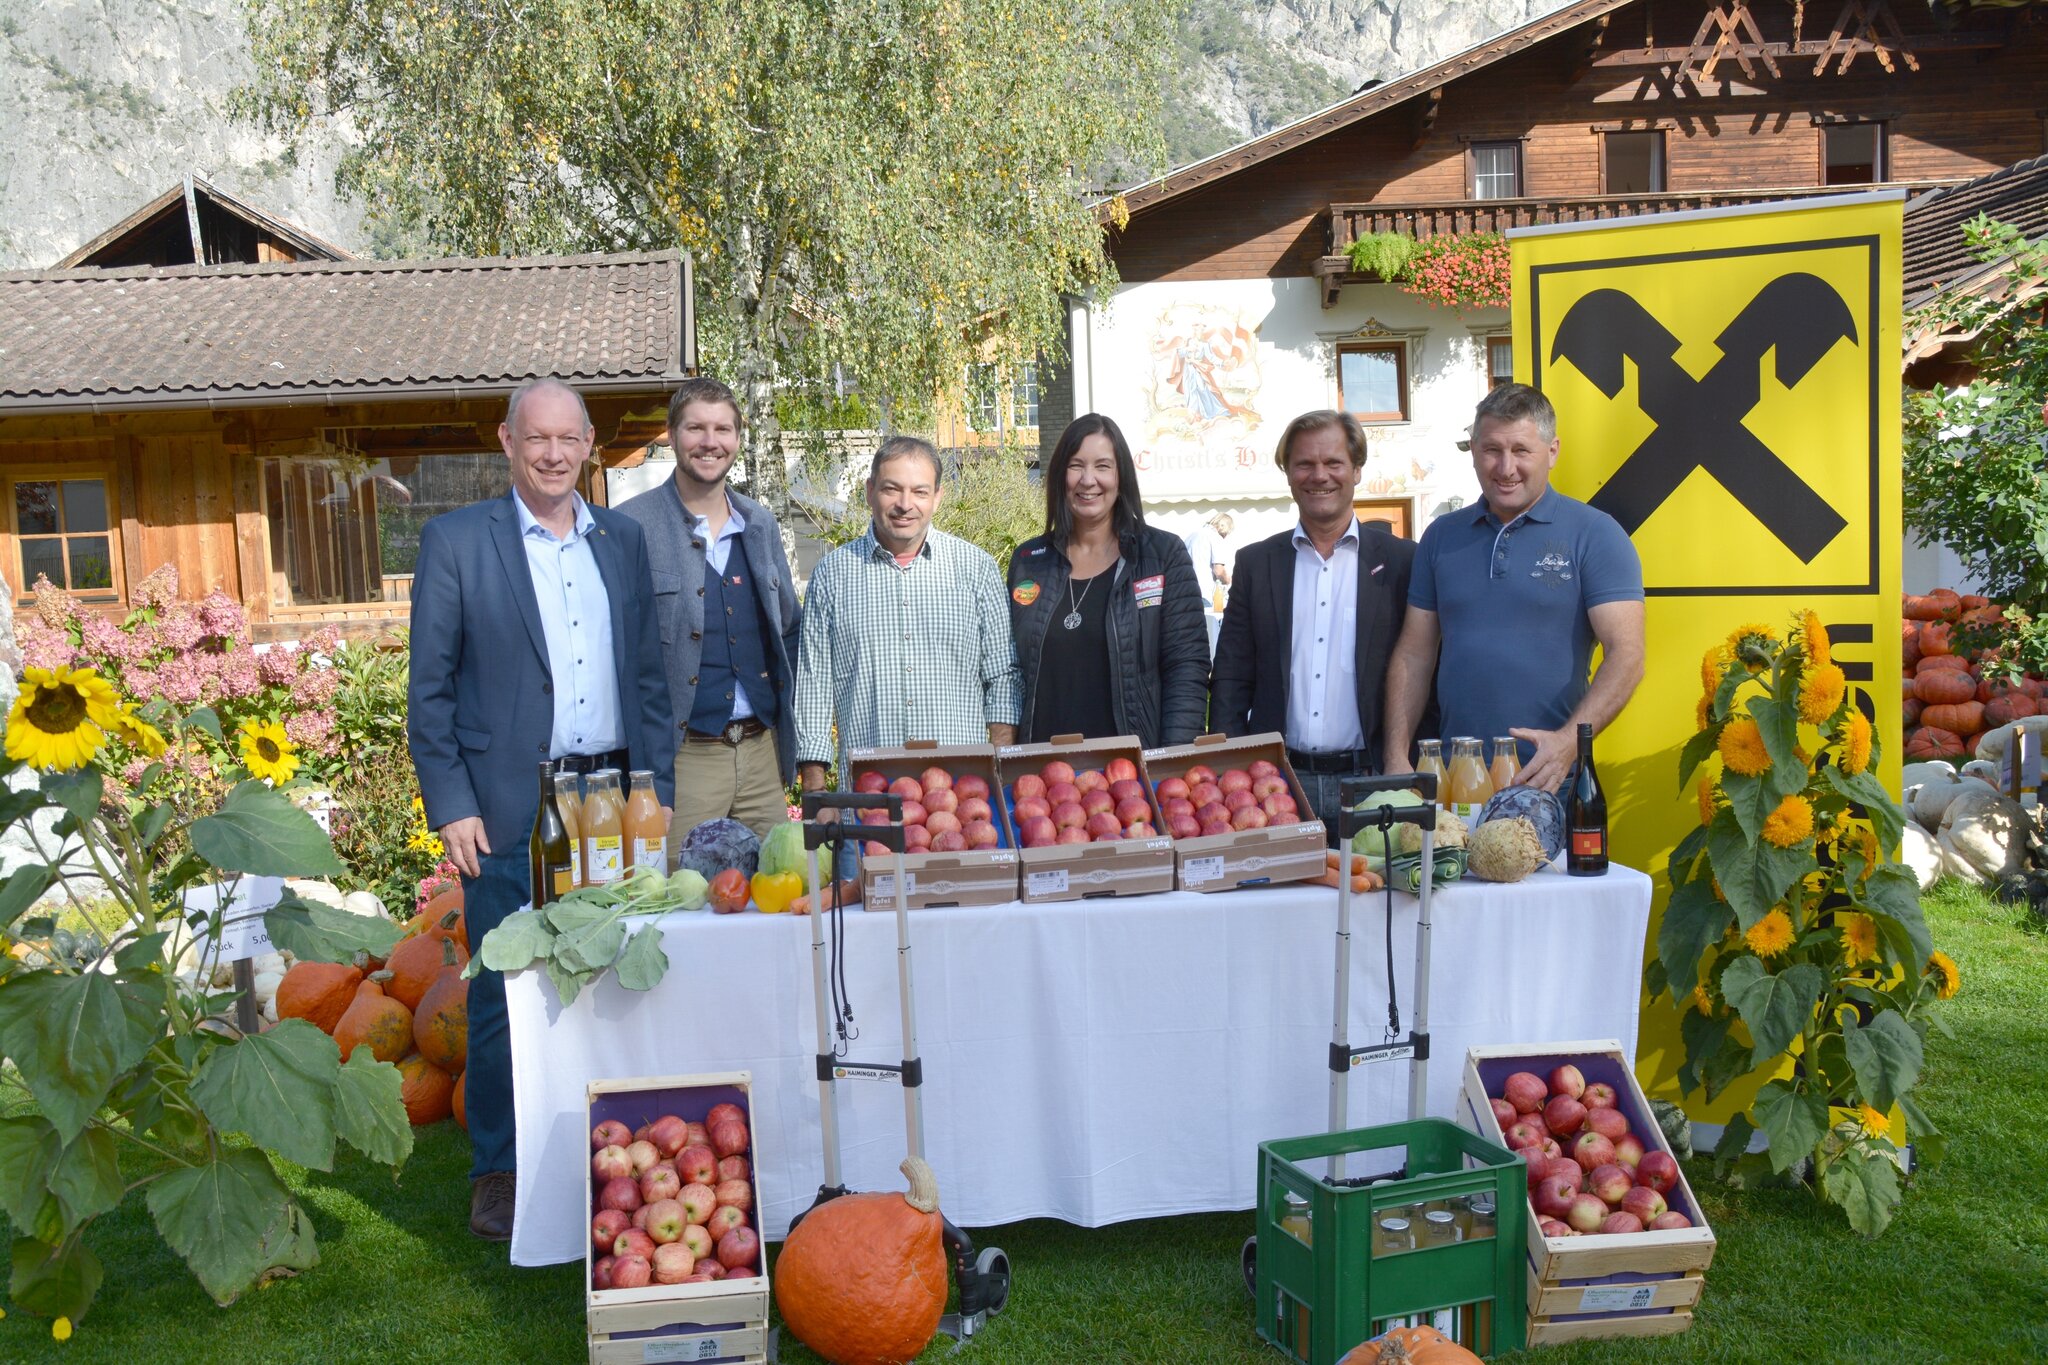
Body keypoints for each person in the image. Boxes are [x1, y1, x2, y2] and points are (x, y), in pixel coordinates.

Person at [408, 377, 675, 1241]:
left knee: (615, 977)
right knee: (500, 993)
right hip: (507, 806)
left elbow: (647, 679)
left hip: (611, 800)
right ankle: (499, 1168)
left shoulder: (623, 542)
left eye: (568, 438)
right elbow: (431, 692)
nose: (554, 454)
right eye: (537, 439)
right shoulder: (456, 542)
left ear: (590, 443)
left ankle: (614, 1149)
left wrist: (656, 790)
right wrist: (450, 803)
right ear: (507, 441)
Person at [1381, 383, 1645, 794]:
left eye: (1521, 451)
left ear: (1552, 451)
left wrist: (1567, 746)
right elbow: (1415, 653)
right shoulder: (1441, 537)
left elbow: (1627, 655)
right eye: (1492, 450)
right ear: (1473, 450)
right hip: (1451, 778)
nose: (1505, 468)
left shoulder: (1595, 534)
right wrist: (1396, 756)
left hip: (1547, 776)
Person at [792, 436, 1022, 834]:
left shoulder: (976, 569)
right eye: (891, 488)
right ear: (869, 492)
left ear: (938, 496)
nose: (904, 504)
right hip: (867, 807)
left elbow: (1003, 675)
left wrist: (997, 768)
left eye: (919, 491)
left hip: (960, 803)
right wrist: (816, 794)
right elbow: (814, 686)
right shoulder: (832, 576)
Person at [1211, 410, 1416, 839]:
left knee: (1374, 902)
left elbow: (1422, 666)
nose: (1319, 475)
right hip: (1277, 787)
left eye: (1333, 463)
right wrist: (1233, 771)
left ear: (1357, 470)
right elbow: (1230, 677)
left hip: (1374, 780)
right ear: (1288, 473)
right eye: (1304, 464)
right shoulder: (1256, 564)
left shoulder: (1403, 563)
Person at [616, 377, 799, 845]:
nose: (710, 442)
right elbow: (621, 657)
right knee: (681, 896)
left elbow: (788, 631)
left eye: (723, 429)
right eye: (696, 428)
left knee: (778, 893)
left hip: (760, 752)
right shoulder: (631, 527)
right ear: (672, 434)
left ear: (738, 438)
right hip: (686, 757)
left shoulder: (759, 523)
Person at [1007, 414, 1208, 746]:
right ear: (1060, 475)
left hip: (1130, 780)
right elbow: (1012, 671)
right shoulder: (1029, 561)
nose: (1088, 480)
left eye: (1102, 466)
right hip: (1041, 777)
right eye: (1076, 466)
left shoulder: (1161, 556)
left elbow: (1187, 668)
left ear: (1121, 476)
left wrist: (1174, 764)